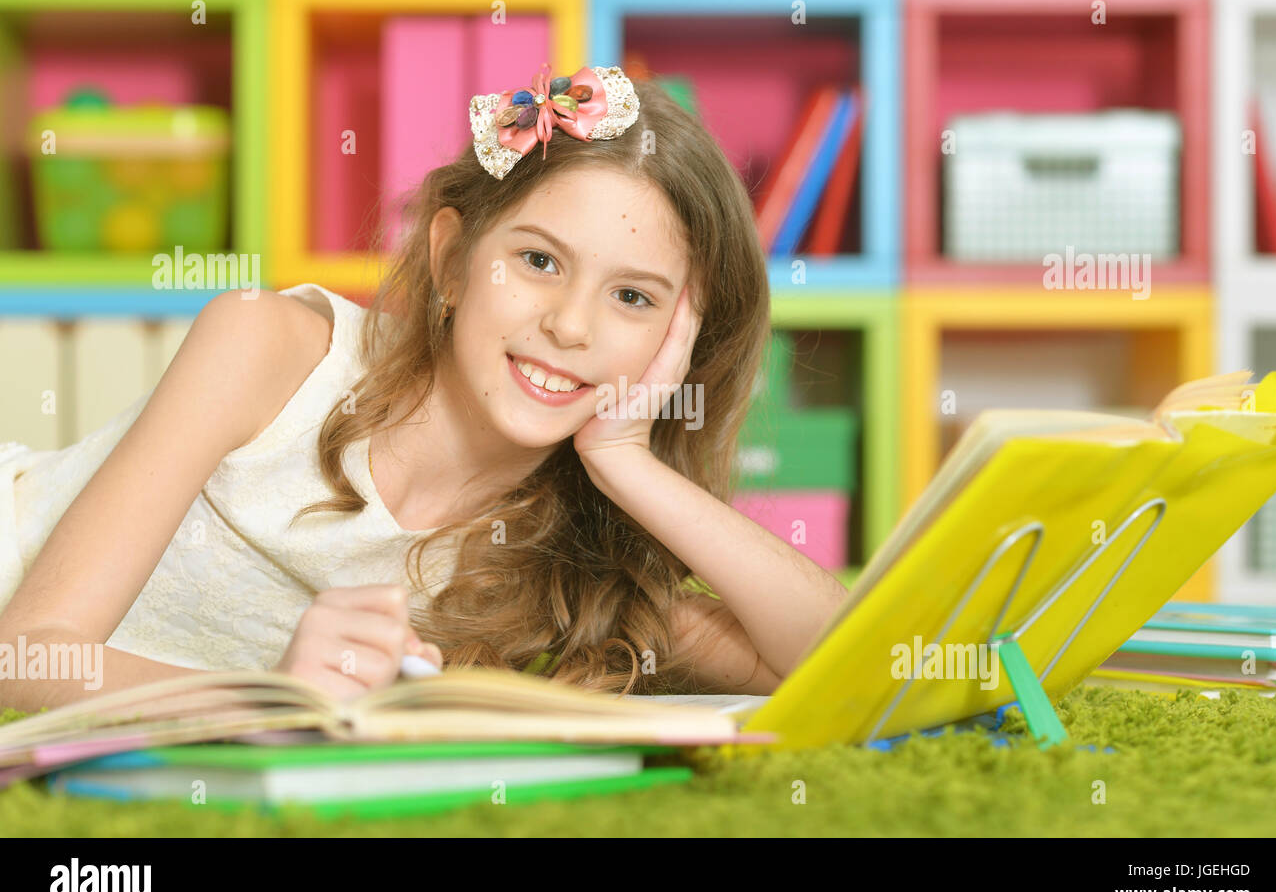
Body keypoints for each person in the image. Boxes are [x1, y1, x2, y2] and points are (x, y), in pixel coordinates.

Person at [0, 63, 848, 713]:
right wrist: (271, 701)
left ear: (681, 342)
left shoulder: (570, 561)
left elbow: (845, 662)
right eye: (538, 260)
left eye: (633, 298)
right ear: (451, 260)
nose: (570, 326)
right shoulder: (270, 346)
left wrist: (628, 460)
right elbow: (27, 654)